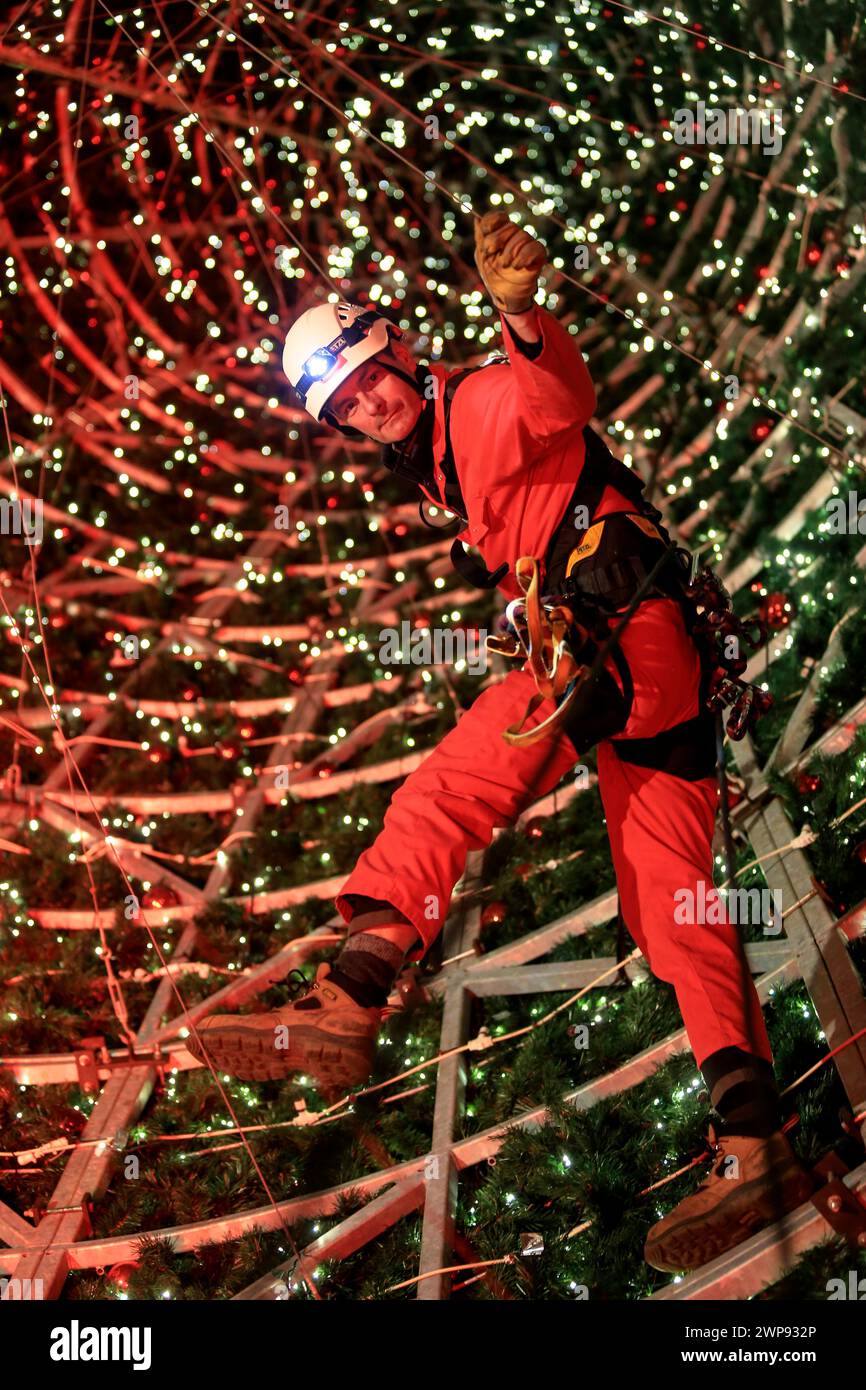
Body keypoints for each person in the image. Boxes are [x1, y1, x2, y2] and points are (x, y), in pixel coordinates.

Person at [187, 210, 813, 1272]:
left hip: (615, 637)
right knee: (673, 906)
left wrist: (520, 314)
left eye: (369, 378)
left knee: (451, 785)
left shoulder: (474, 397)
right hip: (658, 687)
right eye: (345, 407)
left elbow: (556, 401)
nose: (369, 405)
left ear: (396, 345)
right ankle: (752, 1136)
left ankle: (355, 988)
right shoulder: (436, 462)